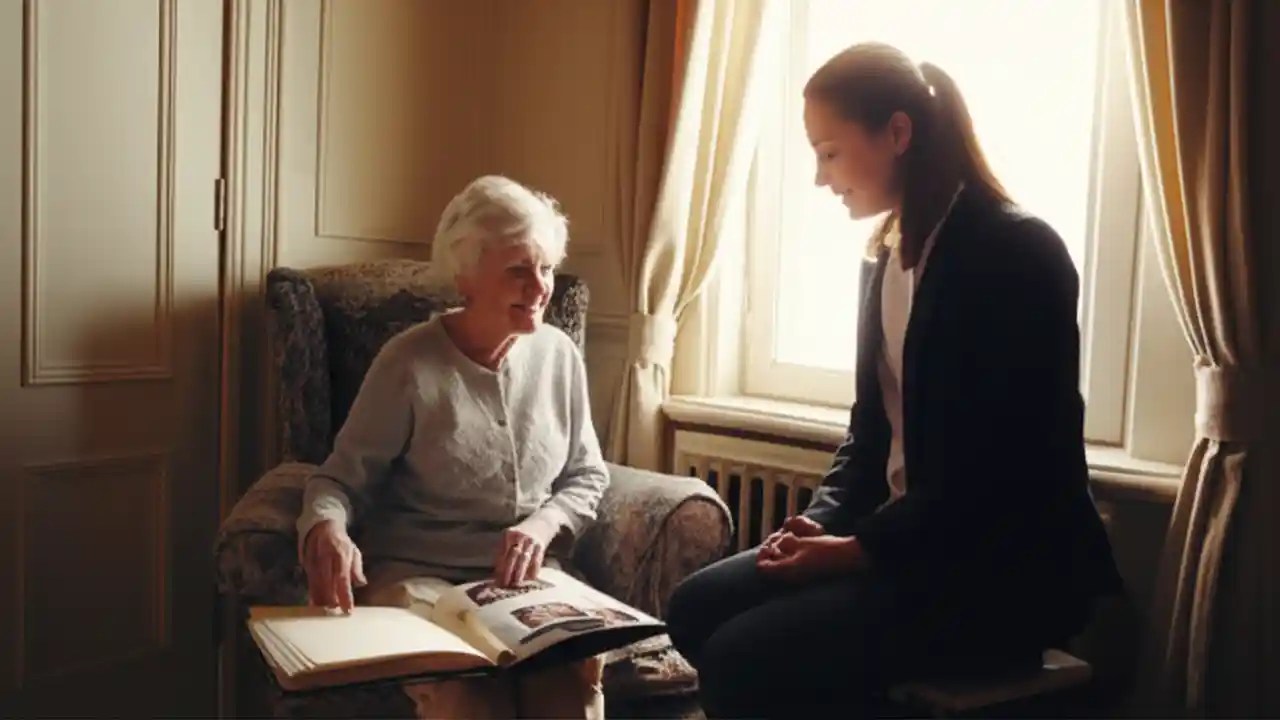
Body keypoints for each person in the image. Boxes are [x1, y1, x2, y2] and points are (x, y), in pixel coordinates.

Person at [664, 43, 1123, 718]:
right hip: (899, 545)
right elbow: (869, 435)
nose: (821, 179)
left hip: (996, 571)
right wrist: (815, 527)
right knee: (693, 607)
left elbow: (994, 473)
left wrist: (855, 552)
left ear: (898, 133)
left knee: (740, 657)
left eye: (829, 152)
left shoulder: (1017, 253)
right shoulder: (883, 258)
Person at [295, 175, 611, 718]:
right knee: (468, 692)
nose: (540, 289)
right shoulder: (409, 363)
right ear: (466, 277)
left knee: (568, 682)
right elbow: (337, 481)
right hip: (418, 574)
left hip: (523, 584)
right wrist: (327, 528)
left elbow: (588, 474)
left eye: (546, 268)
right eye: (518, 270)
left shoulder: (559, 356)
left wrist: (542, 525)